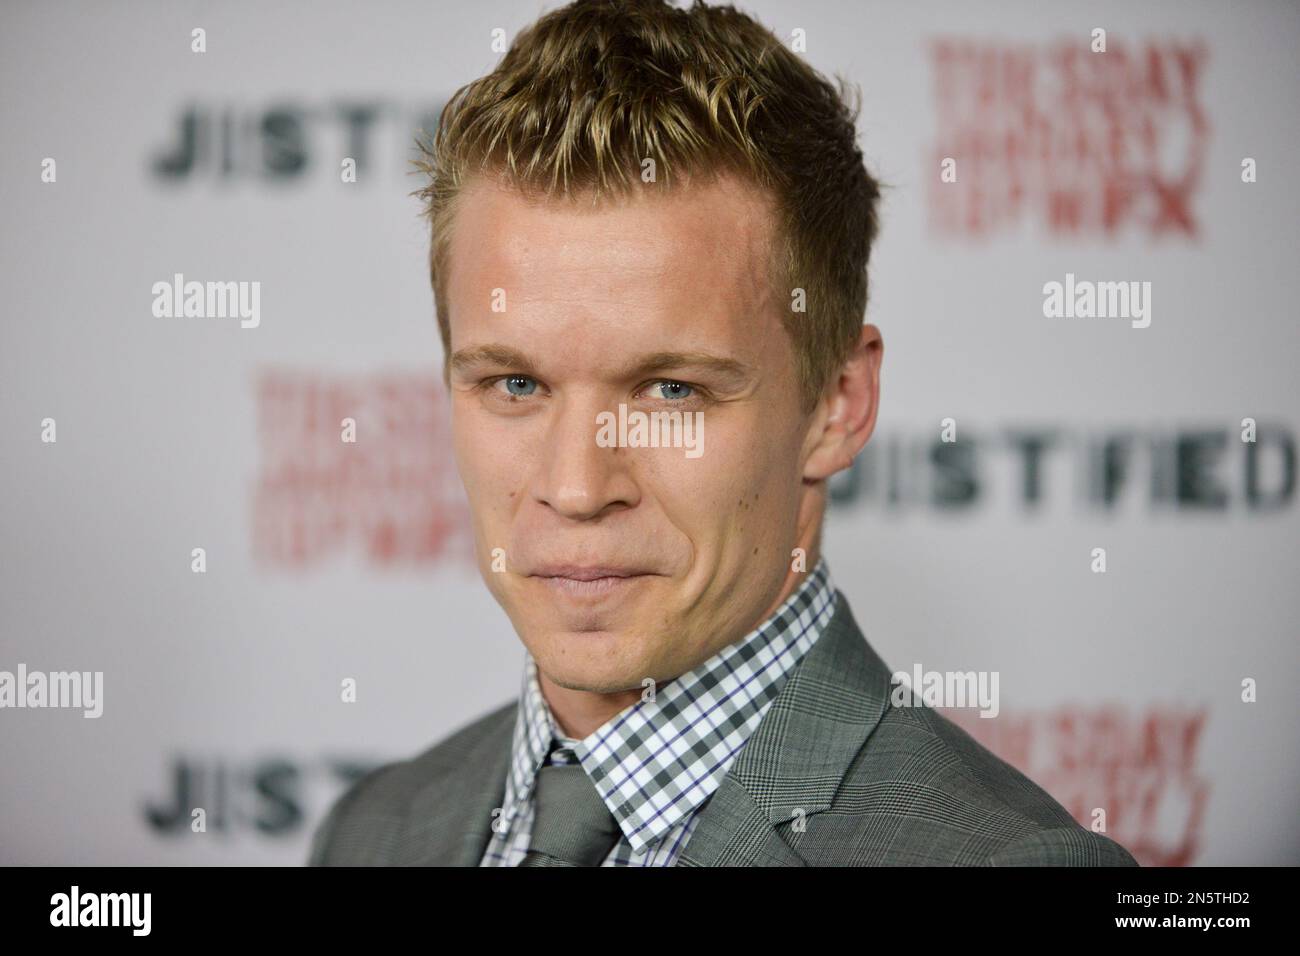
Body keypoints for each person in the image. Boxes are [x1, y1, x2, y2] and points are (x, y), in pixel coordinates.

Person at [309, 0, 1137, 867]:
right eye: (515, 383)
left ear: (838, 404)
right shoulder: (374, 833)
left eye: (672, 390)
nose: (578, 487)